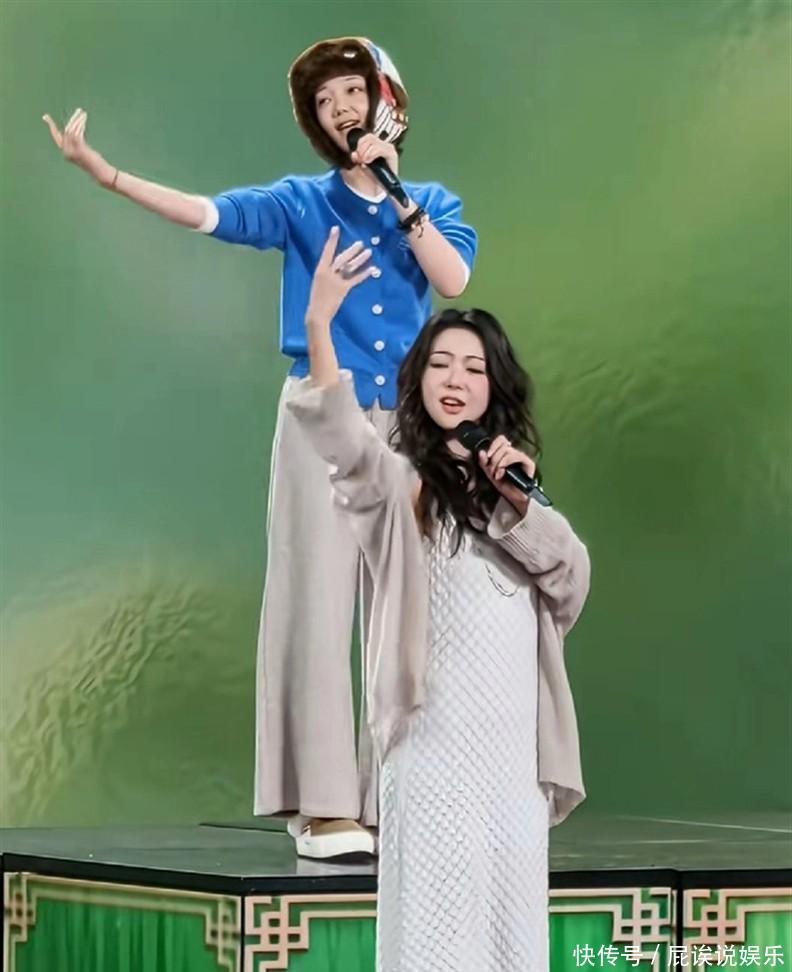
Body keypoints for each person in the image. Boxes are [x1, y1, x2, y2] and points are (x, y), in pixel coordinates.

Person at [43, 37, 477, 858]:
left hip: (408, 424)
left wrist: (397, 194)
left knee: (406, 609)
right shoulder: (299, 202)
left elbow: (452, 279)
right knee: (316, 597)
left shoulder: (430, 202)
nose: (339, 110)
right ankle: (322, 806)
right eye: (324, 102)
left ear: (386, 99)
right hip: (323, 409)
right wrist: (108, 175)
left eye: (351, 92)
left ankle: (397, 795)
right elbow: (209, 214)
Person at [287, 228, 591, 971]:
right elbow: (343, 444)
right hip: (430, 753)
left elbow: (570, 582)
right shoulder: (397, 484)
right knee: (435, 942)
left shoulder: (510, 491)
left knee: (512, 942)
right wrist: (320, 324)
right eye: (441, 364)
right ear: (418, 379)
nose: (456, 379)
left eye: (474, 368)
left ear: (496, 388)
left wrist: (517, 498)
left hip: (513, 762)